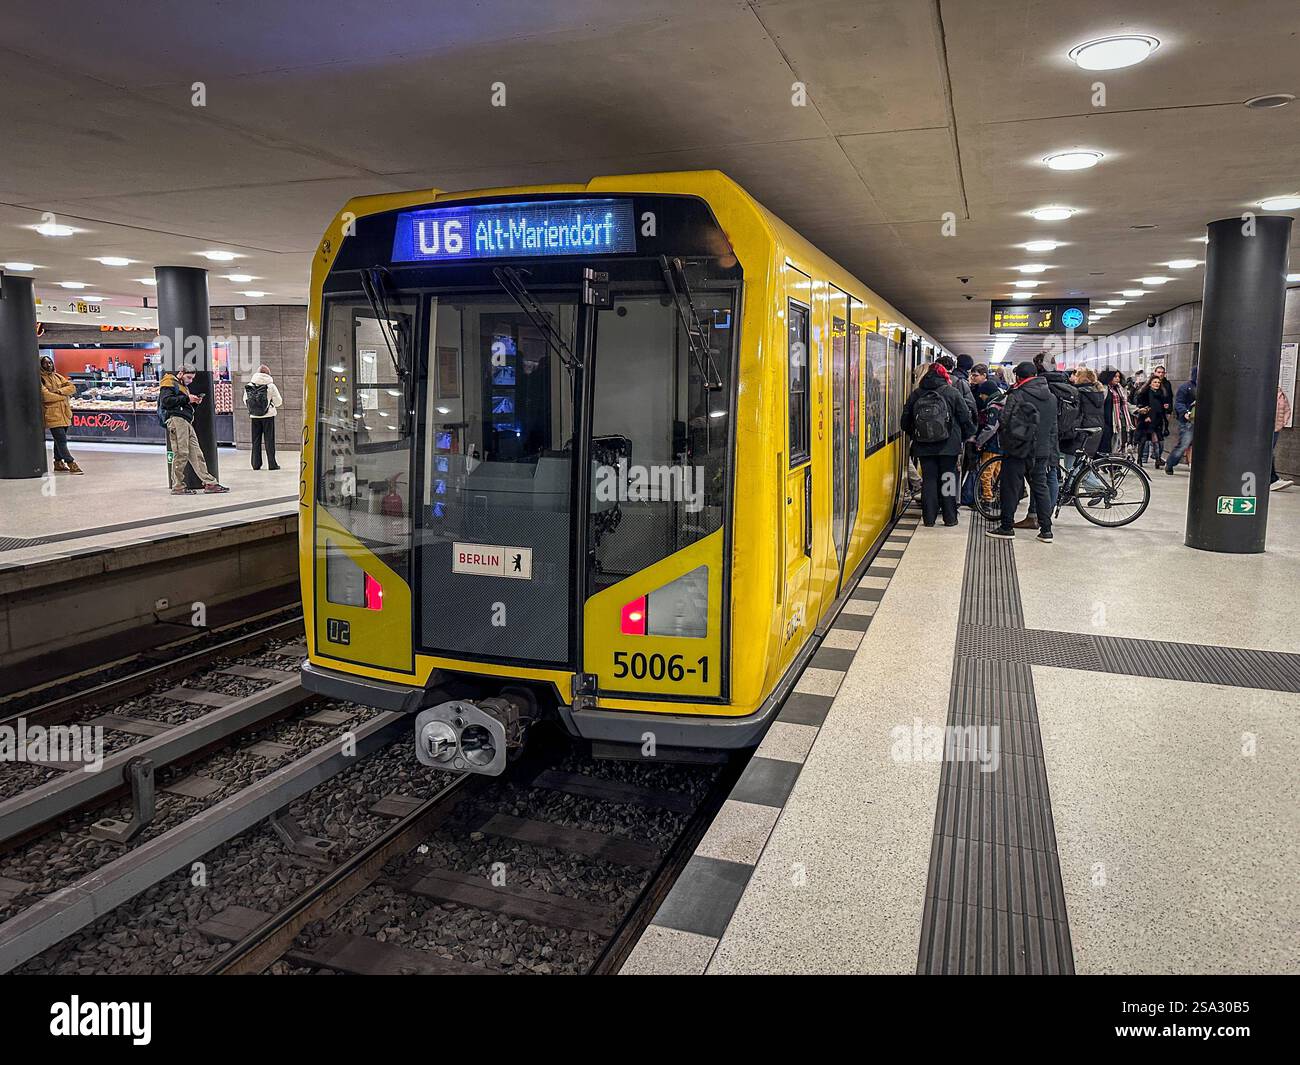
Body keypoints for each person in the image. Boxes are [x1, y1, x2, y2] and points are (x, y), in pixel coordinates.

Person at [987, 361, 1057, 543]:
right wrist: (1051, 453)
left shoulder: (1017, 394)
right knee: (1040, 488)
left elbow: (1004, 420)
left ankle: (1006, 527)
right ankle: (1046, 530)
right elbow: (1053, 428)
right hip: (1041, 451)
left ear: (1019, 377)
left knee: (1011, 488)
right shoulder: (1051, 397)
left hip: (1018, 450)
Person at [901, 360, 976, 527]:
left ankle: (929, 518)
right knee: (947, 478)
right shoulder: (952, 392)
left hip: (923, 445)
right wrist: (966, 435)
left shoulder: (917, 393)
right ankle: (950, 517)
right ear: (945, 376)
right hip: (948, 445)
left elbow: (905, 420)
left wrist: (914, 434)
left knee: (929, 479)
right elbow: (965, 417)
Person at [158, 368, 230, 495]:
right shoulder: (169, 382)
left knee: (196, 453)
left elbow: (181, 404)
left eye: (192, 378)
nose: (190, 381)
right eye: (188, 377)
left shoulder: (180, 386)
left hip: (185, 421)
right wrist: (187, 399)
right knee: (181, 453)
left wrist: (194, 403)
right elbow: (166, 401)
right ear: (180, 373)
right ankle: (178, 486)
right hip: (177, 420)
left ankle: (210, 483)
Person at [38, 355, 83, 475]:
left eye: (50, 362)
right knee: (61, 440)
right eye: (45, 363)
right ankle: (71, 462)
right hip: (52, 414)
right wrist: (64, 396)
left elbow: (72, 387)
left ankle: (58, 463)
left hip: (65, 413)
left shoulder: (57, 376)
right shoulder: (40, 379)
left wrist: (59, 392)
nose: (49, 365)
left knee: (58, 440)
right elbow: (45, 396)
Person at [243, 364, 284, 471]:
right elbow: (279, 402)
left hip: (254, 416)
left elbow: (245, 400)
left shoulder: (249, 385)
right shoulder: (271, 386)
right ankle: (272, 464)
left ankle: (255, 464)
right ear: (268, 374)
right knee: (269, 440)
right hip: (268, 416)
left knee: (255, 440)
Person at [1133, 366, 1173, 466]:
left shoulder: (1161, 393)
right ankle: (1140, 459)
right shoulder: (1145, 393)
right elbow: (1141, 405)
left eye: (1158, 383)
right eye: (1155, 382)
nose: (1157, 384)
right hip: (1147, 419)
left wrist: (1166, 408)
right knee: (1143, 439)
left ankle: (1157, 459)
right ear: (1150, 383)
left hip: (1157, 418)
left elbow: (1165, 403)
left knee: (1157, 439)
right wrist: (1146, 415)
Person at [1163, 366, 1198, 475]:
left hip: (1199, 421)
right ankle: (1170, 463)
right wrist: (1185, 412)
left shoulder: (1208, 387)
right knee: (1184, 444)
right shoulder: (1186, 387)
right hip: (1188, 420)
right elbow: (1179, 402)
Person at [1097, 368, 1133, 455]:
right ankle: (1106, 464)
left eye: (1118, 377)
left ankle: (1113, 465)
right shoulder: (1103, 389)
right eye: (1115, 376)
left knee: (1115, 445)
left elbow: (1124, 403)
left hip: (1116, 423)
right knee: (1105, 447)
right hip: (1105, 422)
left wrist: (1136, 410)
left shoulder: (1119, 389)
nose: (1117, 379)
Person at [1273, 387, 1293, 491]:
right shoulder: (1263, 390)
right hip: (1263, 428)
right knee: (1267, 453)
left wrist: (1283, 422)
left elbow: (1286, 408)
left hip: (1275, 428)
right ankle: (1272, 480)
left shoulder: (1279, 392)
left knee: (1268, 453)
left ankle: (1272, 480)